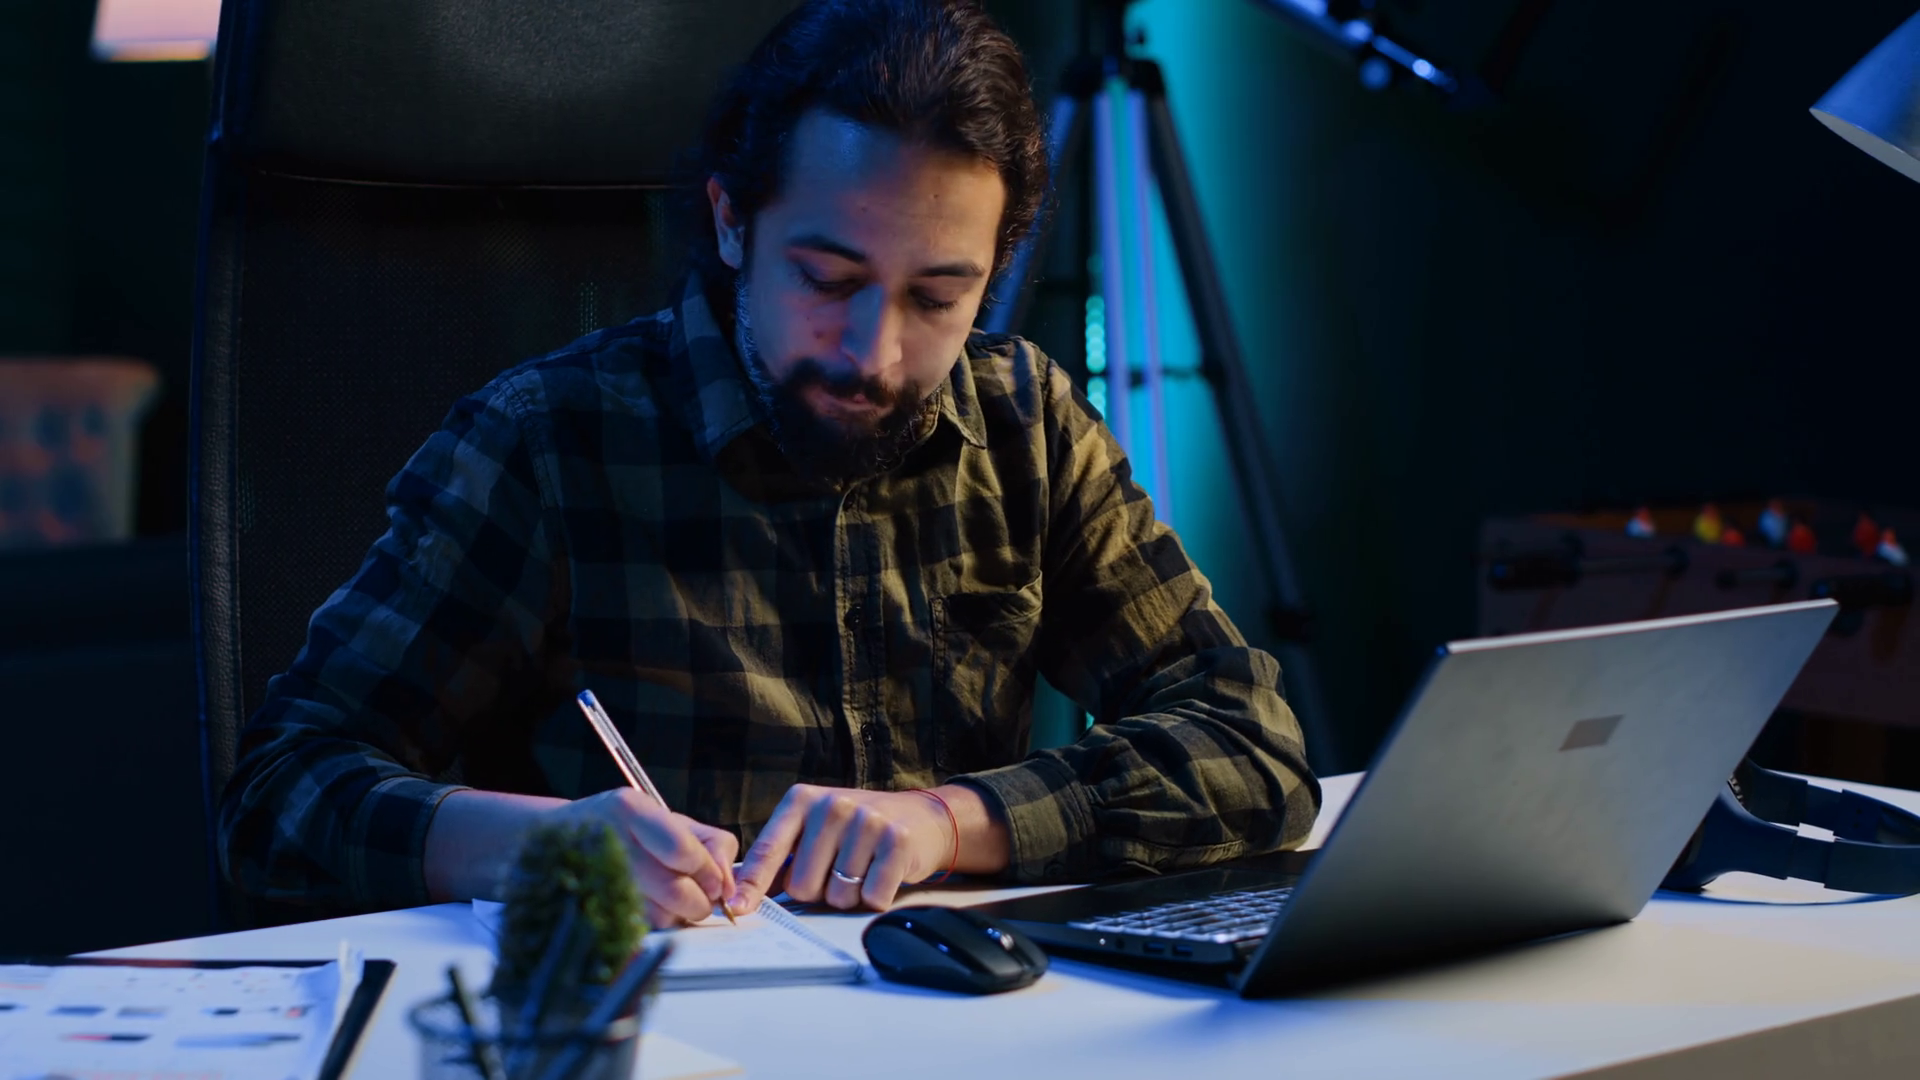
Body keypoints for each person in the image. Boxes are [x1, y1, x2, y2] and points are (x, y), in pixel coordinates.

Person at [220, 0, 1319, 930]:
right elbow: (278, 792)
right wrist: (541, 846)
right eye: (830, 279)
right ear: (734, 221)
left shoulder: (1022, 416)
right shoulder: (550, 441)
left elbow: (1252, 746)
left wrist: (949, 821)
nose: (874, 354)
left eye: (939, 298)